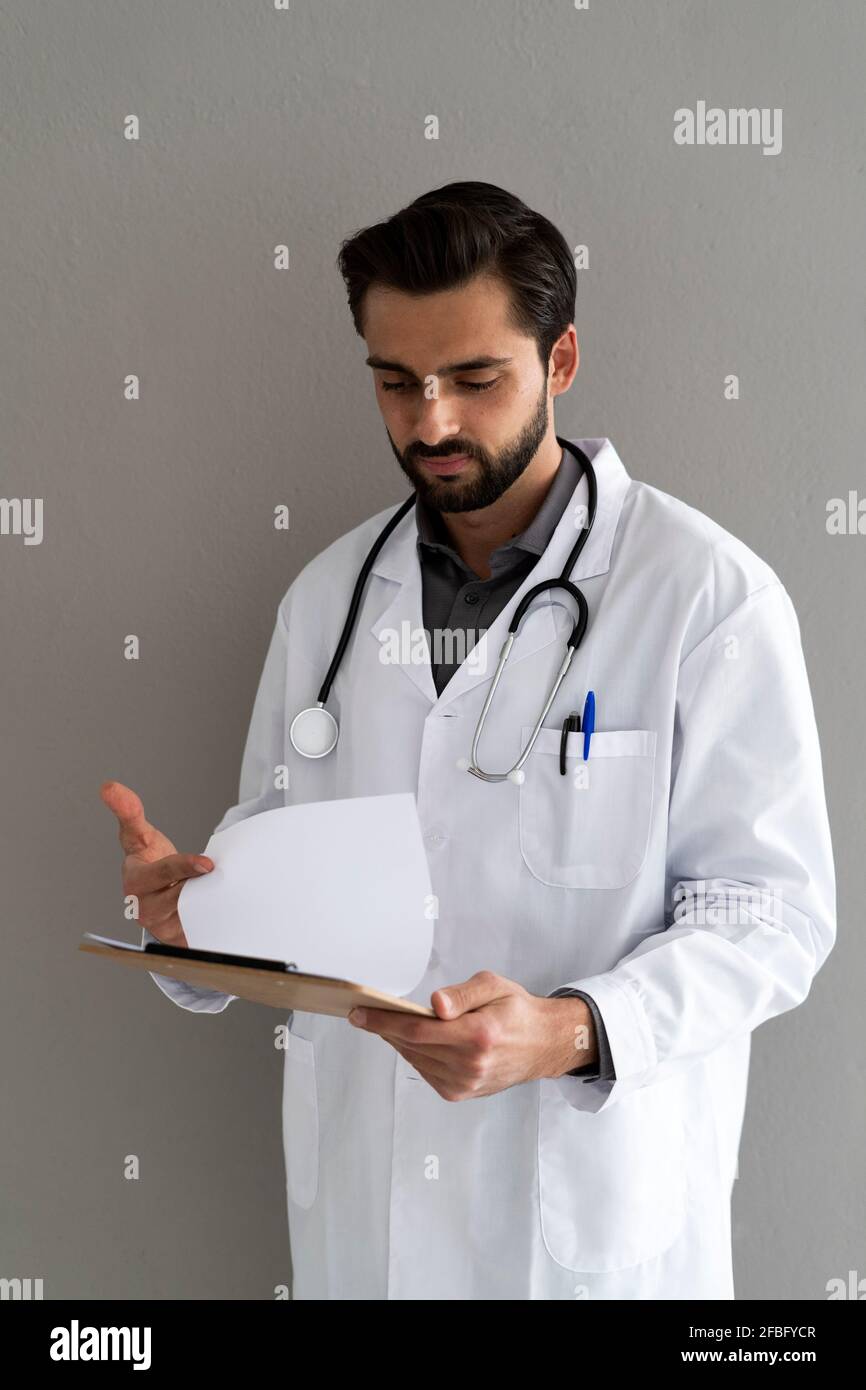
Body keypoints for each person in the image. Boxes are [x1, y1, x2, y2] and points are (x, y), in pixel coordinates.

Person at [101, 181, 836, 1300]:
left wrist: (575, 1028)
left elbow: (769, 914)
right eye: (395, 382)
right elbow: (281, 855)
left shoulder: (702, 595)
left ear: (561, 359)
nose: (430, 422)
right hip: (371, 1222)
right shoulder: (330, 597)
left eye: (475, 378)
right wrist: (195, 912)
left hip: (584, 1223)